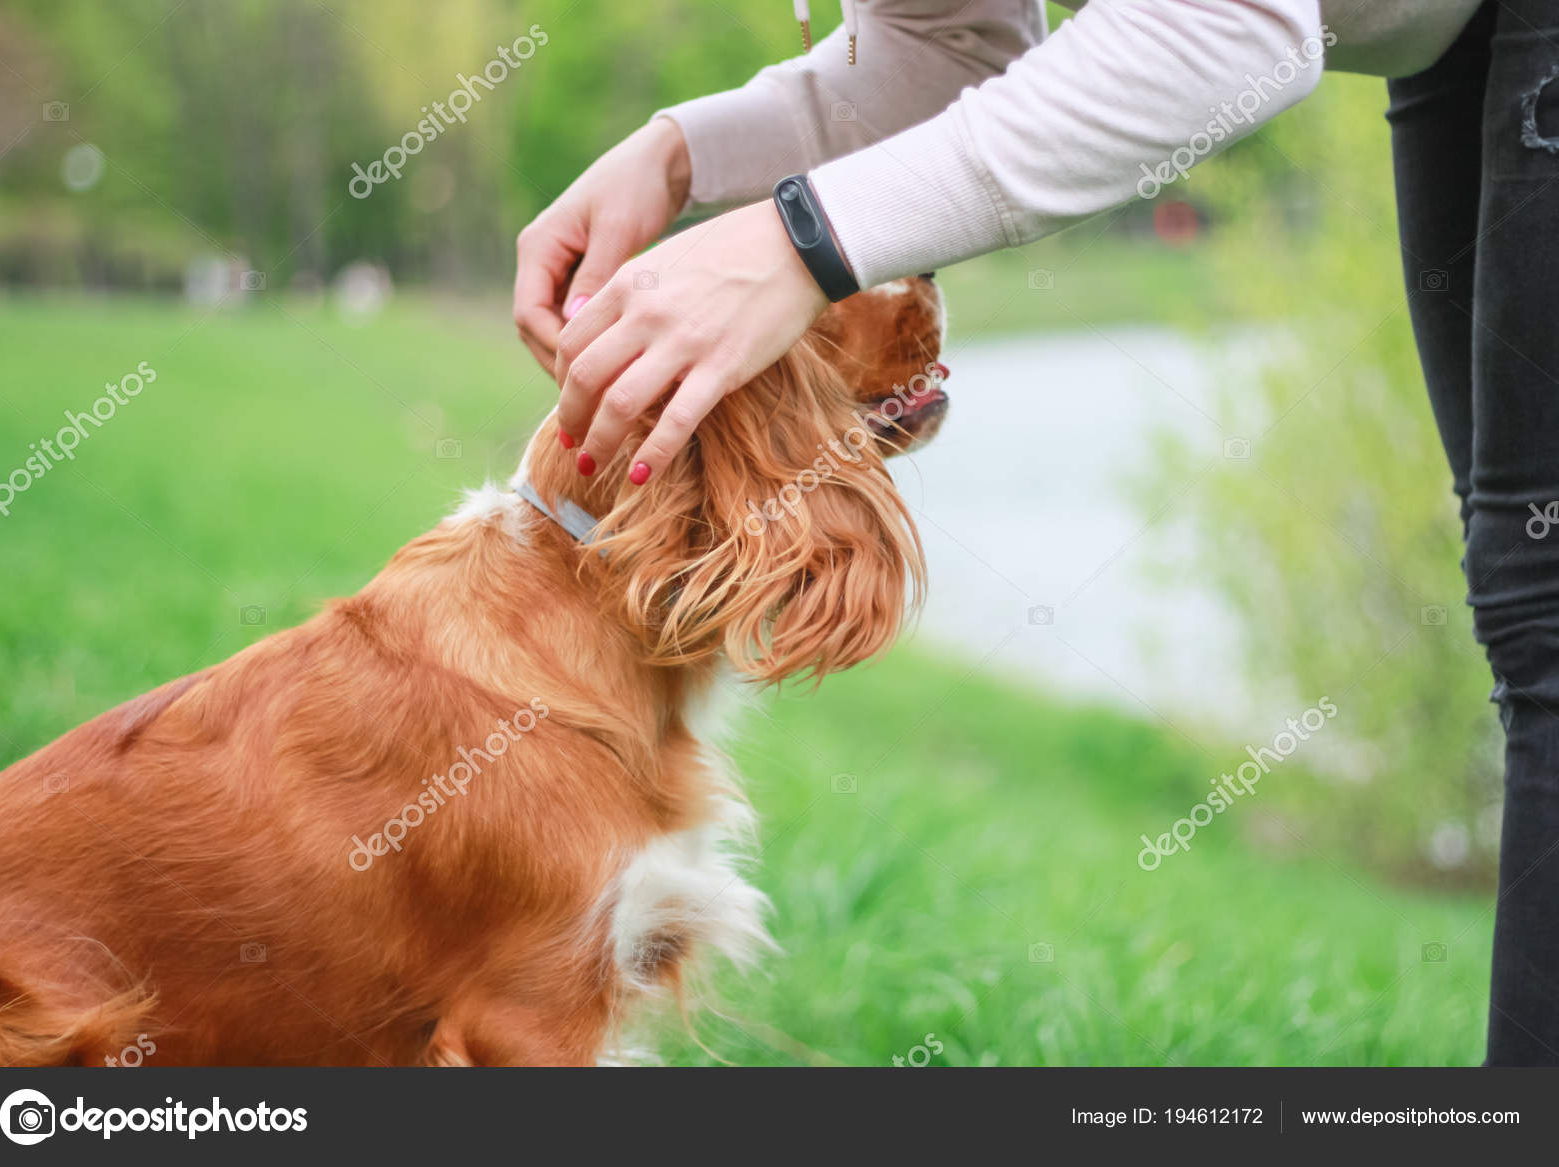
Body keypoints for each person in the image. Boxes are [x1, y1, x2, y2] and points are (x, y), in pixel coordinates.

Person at [513, 0, 1559, 1065]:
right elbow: (951, 45)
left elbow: (1232, 22)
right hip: (1450, 34)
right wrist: (683, 152)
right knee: (1530, 611)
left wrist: (805, 239)